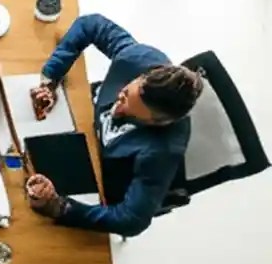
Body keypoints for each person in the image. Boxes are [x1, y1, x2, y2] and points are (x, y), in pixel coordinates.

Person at [27, 13, 204, 237]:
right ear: (142, 76)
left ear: (159, 122)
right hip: (81, 125)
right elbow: (89, 25)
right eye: (124, 95)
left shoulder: (162, 151)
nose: (118, 109)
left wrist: (58, 207)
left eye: (132, 114)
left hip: (101, 171)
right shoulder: (139, 58)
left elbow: (132, 221)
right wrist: (51, 80)